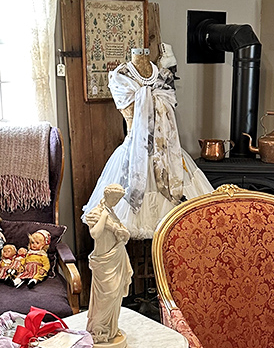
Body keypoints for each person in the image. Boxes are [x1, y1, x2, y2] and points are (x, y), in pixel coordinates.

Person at [82, 49, 212, 238]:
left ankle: (165, 262)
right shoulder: (121, 77)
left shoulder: (164, 77)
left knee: (177, 223)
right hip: (134, 155)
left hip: (168, 155)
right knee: (128, 220)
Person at [85, 184, 133, 348]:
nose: (116, 202)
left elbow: (125, 234)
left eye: (118, 199)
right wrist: (105, 219)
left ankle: (111, 328)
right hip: (104, 260)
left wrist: (119, 231)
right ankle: (98, 329)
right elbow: (95, 234)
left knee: (116, 294)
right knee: (106, 295)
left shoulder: (112, 212)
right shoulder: (97, 213)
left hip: (117, 256)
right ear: (107, 195)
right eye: (115, 199)